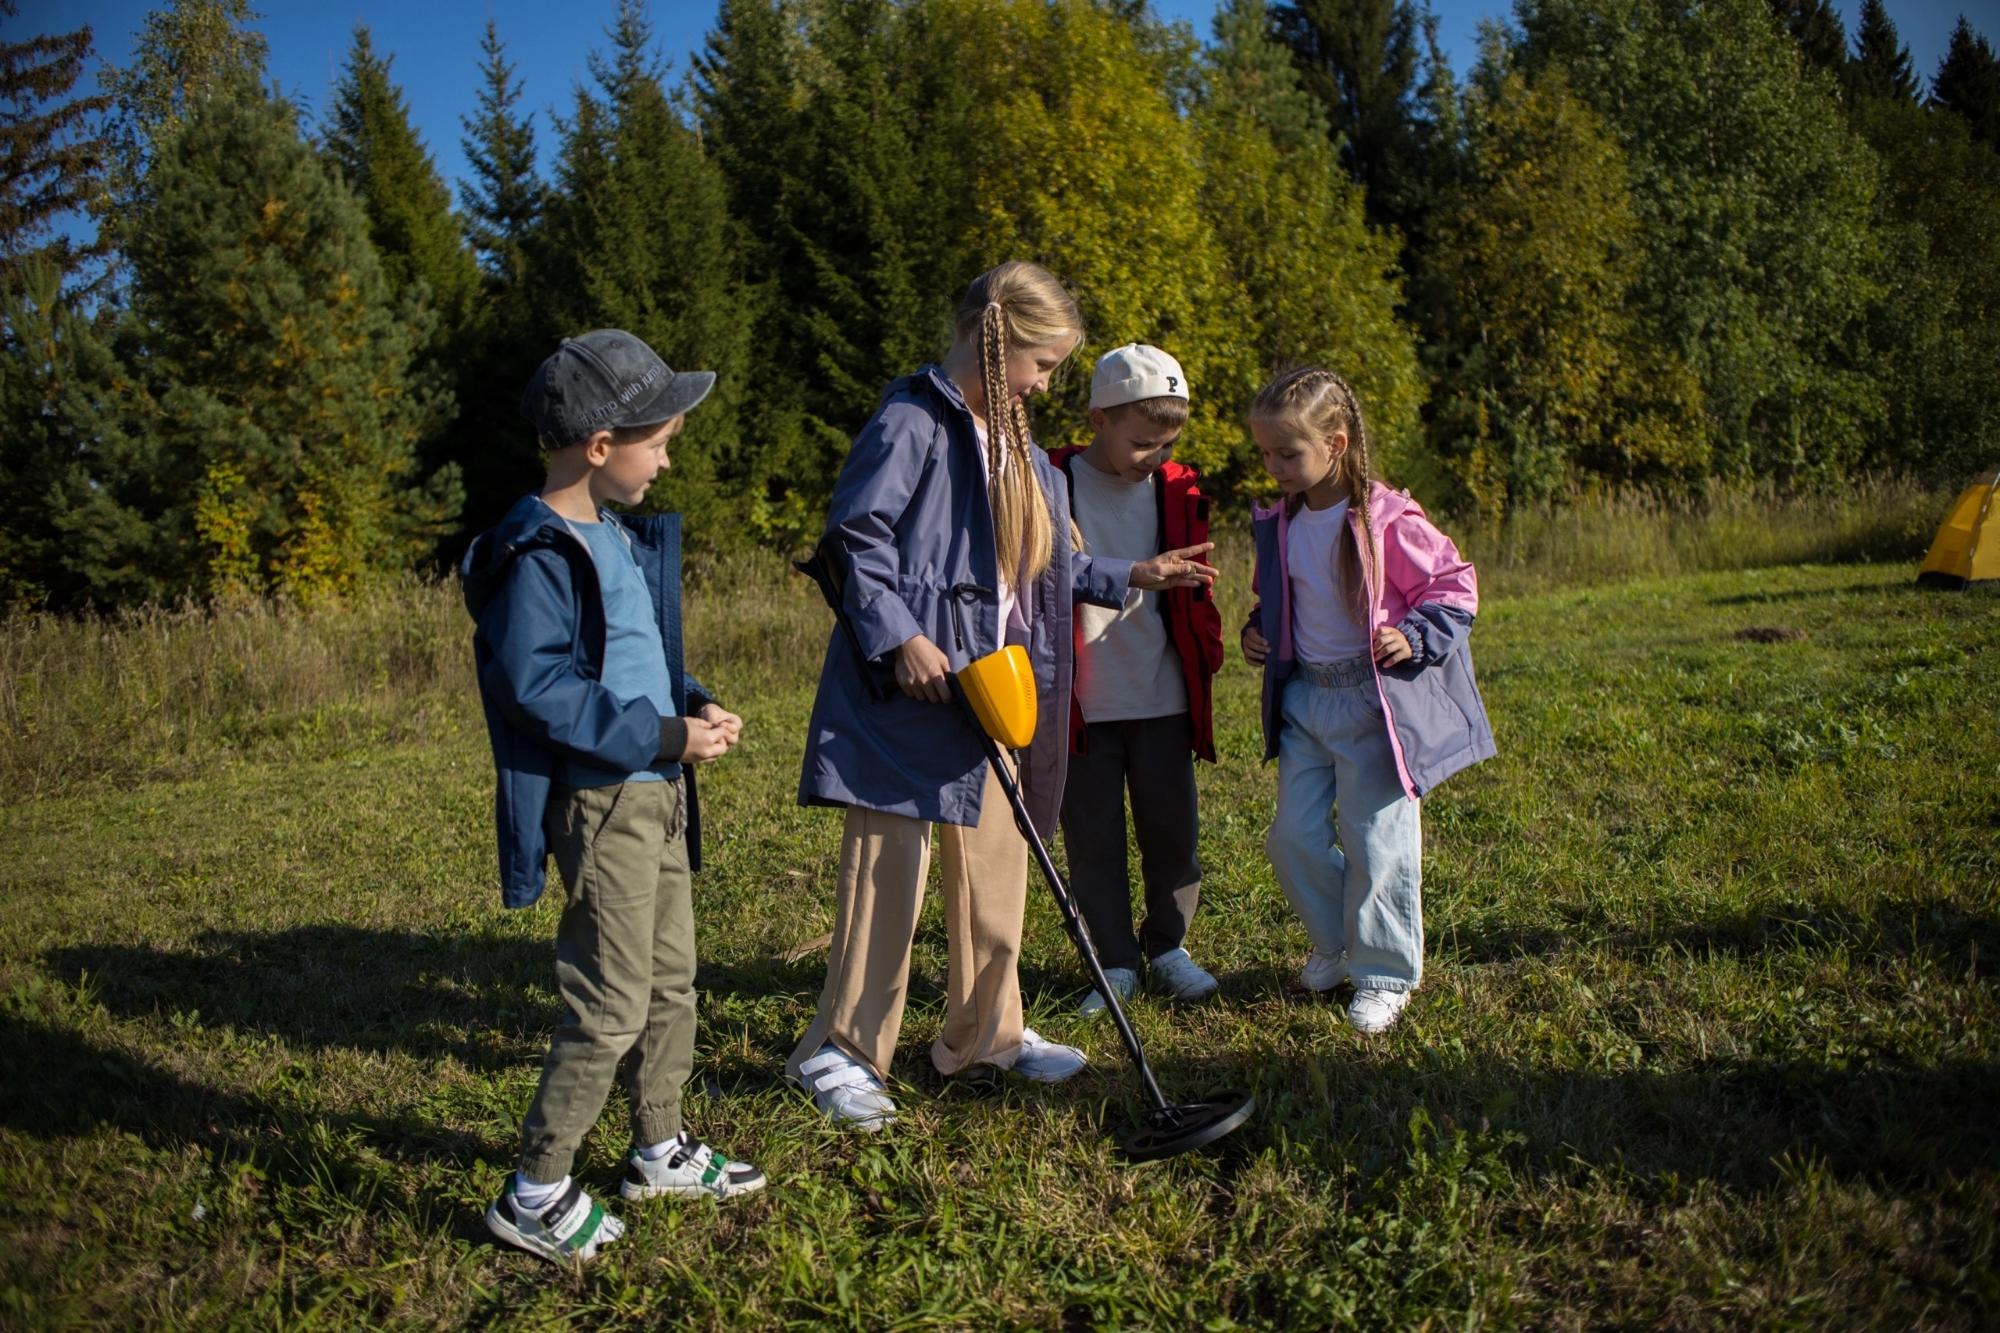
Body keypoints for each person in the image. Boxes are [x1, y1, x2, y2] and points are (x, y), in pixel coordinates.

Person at [788, 262, 1216, 1130]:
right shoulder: (912, 421)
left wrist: (1130, 572)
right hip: (910, 690)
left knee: (999, 867)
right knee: (889, 875)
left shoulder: (1015, 441)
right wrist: (900, 635)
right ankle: (841, 1052)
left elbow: (1045, 560)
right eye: (1043, 365)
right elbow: (853, 539)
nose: (1047, 384)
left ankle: (989, 1035)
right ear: (997, 339)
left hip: (995, 687)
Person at [461, 329, 765, 1267]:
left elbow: (636, 659)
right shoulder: (538, 551)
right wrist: (667, 735)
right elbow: (543, 688)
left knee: (672, 979)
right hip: (603, 802)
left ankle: (658, 1145)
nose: (669, 457)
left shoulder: (616, 536)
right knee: (610, 1000)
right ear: (600, 444)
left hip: (656, 791)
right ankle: (537, 1187)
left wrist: (691, 699)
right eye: (661, 439)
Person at [1241, 367, 1494, 1035]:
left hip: (1373, 705)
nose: (1274, 468)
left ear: (1337, 442)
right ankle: (1337, 943)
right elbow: (1282, 599)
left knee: (1377, 841)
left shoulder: (1386, 519)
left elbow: (1454, 586)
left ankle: (1384, 973)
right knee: (1292, 838)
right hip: (1305, 702)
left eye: (1286, 454)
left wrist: (1414, 636)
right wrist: (1258, 631)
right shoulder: (1280, 521)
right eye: (1264, 453)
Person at [1045, 344, 1224, 1015]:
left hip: (1161, 693)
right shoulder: (1051, 481)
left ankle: (1168, 945)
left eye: (1168, 441)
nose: (1155, 455)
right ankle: (1113, 961)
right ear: (1098, 418)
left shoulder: (1180, 487)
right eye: (1143, 441)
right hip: (1084, 703)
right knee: (1093, 837)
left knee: (1171, 830)